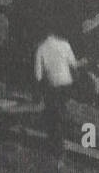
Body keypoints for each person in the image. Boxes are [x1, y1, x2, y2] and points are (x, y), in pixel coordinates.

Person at [34, 29, 84, 161]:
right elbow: (74, 64)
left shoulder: (41, 48)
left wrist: (40, 90)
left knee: (53, 115)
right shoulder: (65, 44)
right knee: (60, 109)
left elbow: (38, 76)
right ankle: (64, 132)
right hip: (67, 85)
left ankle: (57, 145)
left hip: (53, 86)